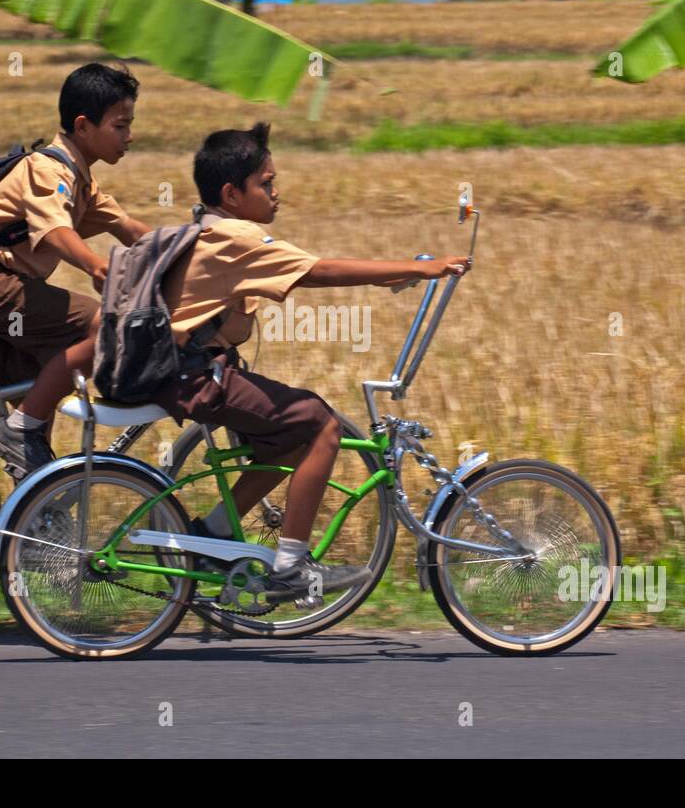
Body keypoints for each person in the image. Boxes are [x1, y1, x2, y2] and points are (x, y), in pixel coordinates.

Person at [150, 122, 470, 598]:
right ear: (232, 194)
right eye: (266, 183)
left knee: (292, 438)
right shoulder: (235, 237)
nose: (276, 193)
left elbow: (297, 273)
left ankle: (214, 533)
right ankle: (290, 567)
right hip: (196, 376)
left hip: (190, 370)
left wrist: (385, 275)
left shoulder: (210, 229)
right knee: (321, 424)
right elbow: (316, 271)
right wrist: (419, 267)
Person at [0, 62, 152, 473]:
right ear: (83, 126)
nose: (129, 136)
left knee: (33, 445)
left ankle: (29, 496)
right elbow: (53, 230)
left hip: (1, 289)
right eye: (120, 126)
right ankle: (18, 431)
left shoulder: (81, 182)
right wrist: (95, 266)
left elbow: (129, 229)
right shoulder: (48, 170)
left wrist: (190, 257)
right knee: (103, 323)